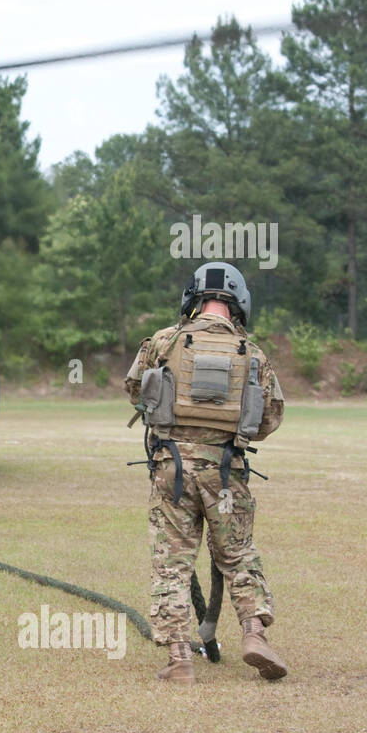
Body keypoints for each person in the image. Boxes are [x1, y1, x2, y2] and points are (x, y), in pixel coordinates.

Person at [125, 262, 287, 684]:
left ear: (193, 298)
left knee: (172, 563)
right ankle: (254, 635)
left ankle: (180, 659)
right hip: (225, 474)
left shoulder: (165, 341)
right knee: (238, 555)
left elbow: (134, 392)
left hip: (171, 471)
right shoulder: (252, 354)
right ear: (240, 304)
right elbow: (269, 419)